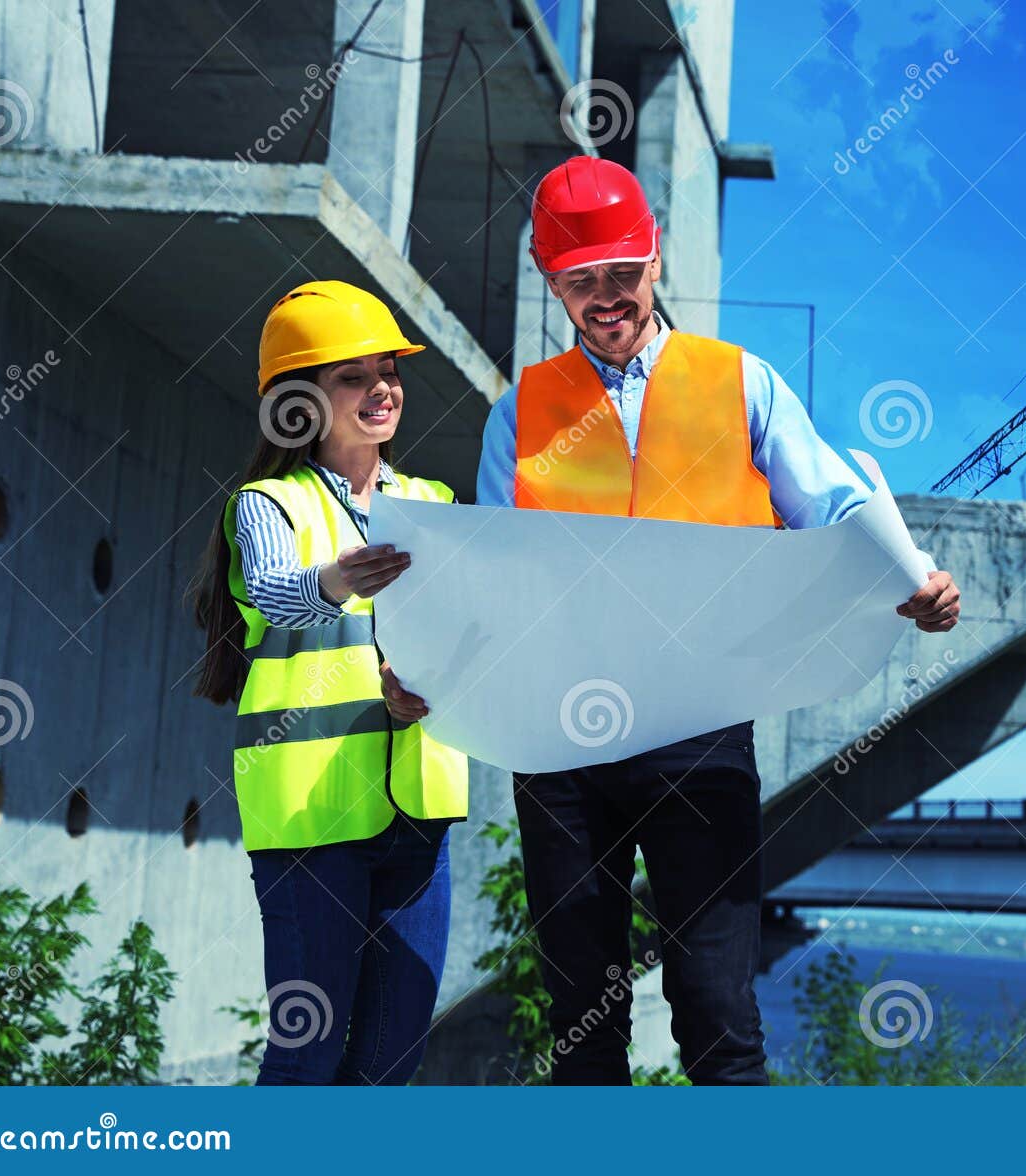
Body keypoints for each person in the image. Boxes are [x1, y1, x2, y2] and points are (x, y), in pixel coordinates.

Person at [383, 156, 961, 1085]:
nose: (605, 298)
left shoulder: (740, 383)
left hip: (700, 737)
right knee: (582, 1027)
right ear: (553, 281)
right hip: (561, 748)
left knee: (719, 1016)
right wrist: (427, 674)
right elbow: (482, 580)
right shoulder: (520, 416)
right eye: (581, 281)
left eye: (622, 273)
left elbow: (840, 508)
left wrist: (919, 578)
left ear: (656, 261)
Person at [189, 280, 469, 1085]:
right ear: (300, 402)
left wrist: (427, 683)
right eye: (353, 375)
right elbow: (279, 593)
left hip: (419, 811)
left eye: (387, 369)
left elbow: (472, 638)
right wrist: (342, 578)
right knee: (307, 1055)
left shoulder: (433, 502)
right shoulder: (267, 505)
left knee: (390, 1060)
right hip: (310, 816)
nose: (382, 388)